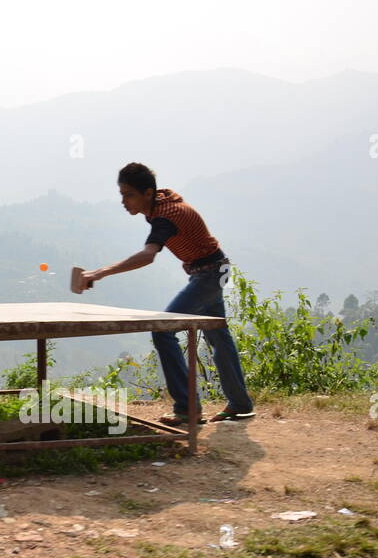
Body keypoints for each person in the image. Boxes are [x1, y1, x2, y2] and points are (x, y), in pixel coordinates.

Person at [81, 162, 254, 425]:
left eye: (129, 195)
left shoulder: (165, 215)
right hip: (216, 270)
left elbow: (148, 256)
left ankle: (188, 407)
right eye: (122, 195)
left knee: (163, 330)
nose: (124, 201)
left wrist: (100, 272)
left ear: (148, 193)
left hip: (210, 274)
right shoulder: (160, 206)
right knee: (219, 337)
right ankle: (240, 404)